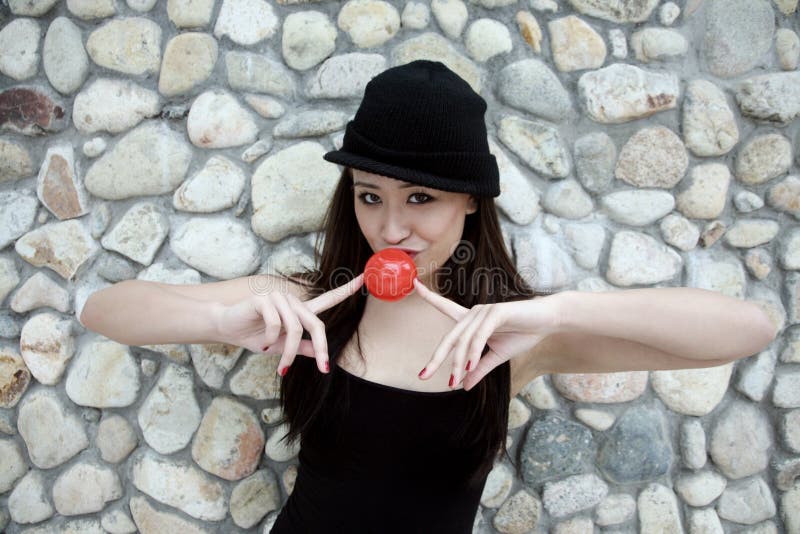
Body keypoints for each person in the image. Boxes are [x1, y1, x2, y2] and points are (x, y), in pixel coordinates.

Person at [80, 60, 777, 533]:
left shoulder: (507, 336)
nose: (390, 226)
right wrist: (219, 320)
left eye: (420, 197)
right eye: (369, 196)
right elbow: (104, 311)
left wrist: (560, 310)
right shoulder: (307, 305)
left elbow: (747, 329)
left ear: (471, 202)